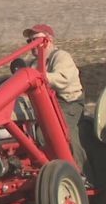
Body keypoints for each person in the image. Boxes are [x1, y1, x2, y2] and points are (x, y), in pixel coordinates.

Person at [22, 24, 86, 169]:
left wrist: (40, 78)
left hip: (68, 102)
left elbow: (63, 79)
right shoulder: (33, 64)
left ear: (48, 40)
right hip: (46, 105)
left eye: (36, 40)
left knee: (61, 134)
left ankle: (78, 171)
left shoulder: (61, 56)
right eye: (29, 41)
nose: (32, 44)